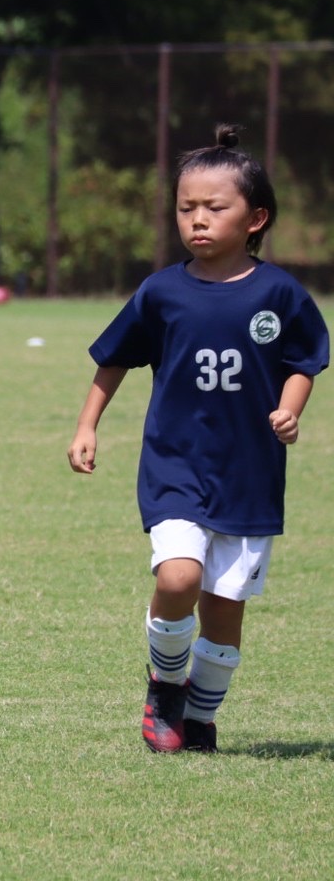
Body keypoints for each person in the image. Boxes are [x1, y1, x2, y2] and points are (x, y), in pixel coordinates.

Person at [67, 123, 329, 754]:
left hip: (249, 474)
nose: (198, 220)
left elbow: (305, 359)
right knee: (178, 579)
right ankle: (163, 689)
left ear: (256, 217)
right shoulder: (161, 292)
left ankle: (203, 716)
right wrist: (87, 424)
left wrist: (290, 410)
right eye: (187, 208)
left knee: (224, 614)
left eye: (215, 207)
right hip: (175, 466)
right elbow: (116, 357)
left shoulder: (280, 293)